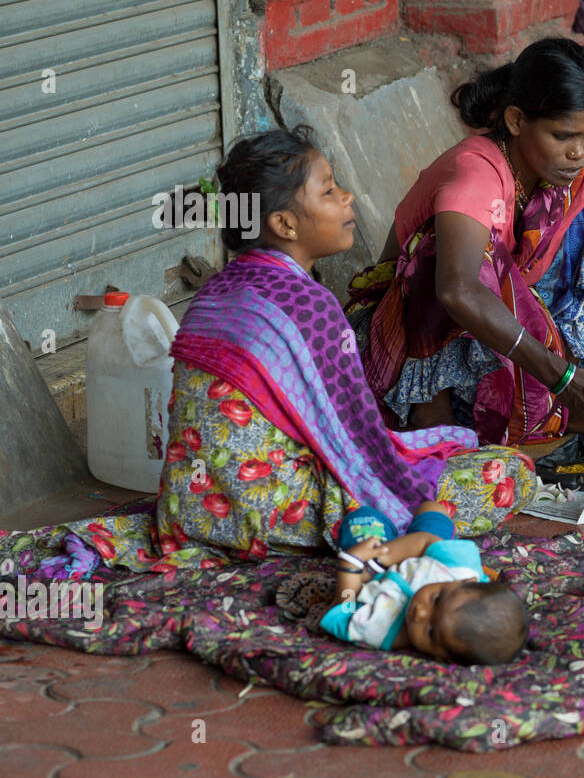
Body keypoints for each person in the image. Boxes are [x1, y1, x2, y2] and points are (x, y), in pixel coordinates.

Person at [11, 127, 539, 580]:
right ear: (286, 225)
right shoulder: (306, 306)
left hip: (188, 511)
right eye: (330, 191)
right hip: (267, 514)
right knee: (505, 473)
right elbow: (355, 443)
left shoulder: (214, 294)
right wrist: (410, 490)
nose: (348, 198)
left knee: (428, 458)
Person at [347, 37, 584, 445]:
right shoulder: (476, 172)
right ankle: (436, 419)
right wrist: (562, 378)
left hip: (512, 320)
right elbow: (457, 290)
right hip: (414, 334)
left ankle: (557, 403)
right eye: (563, 135)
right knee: (452, 253)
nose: (579, 152)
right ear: (516, 121)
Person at [314, 501, 528, 664]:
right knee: (431, 509)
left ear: (440, 656)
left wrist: (351, 568)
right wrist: (379, 561)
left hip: (369, 575)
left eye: (431, 632)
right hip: (415, 553)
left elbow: (345, 609)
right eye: (436, 600)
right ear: (465, 581)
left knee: (361, 518)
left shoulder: (381, 631)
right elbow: (425, 540)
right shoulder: (459, 568)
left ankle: (379, 530)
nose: (420, 613)